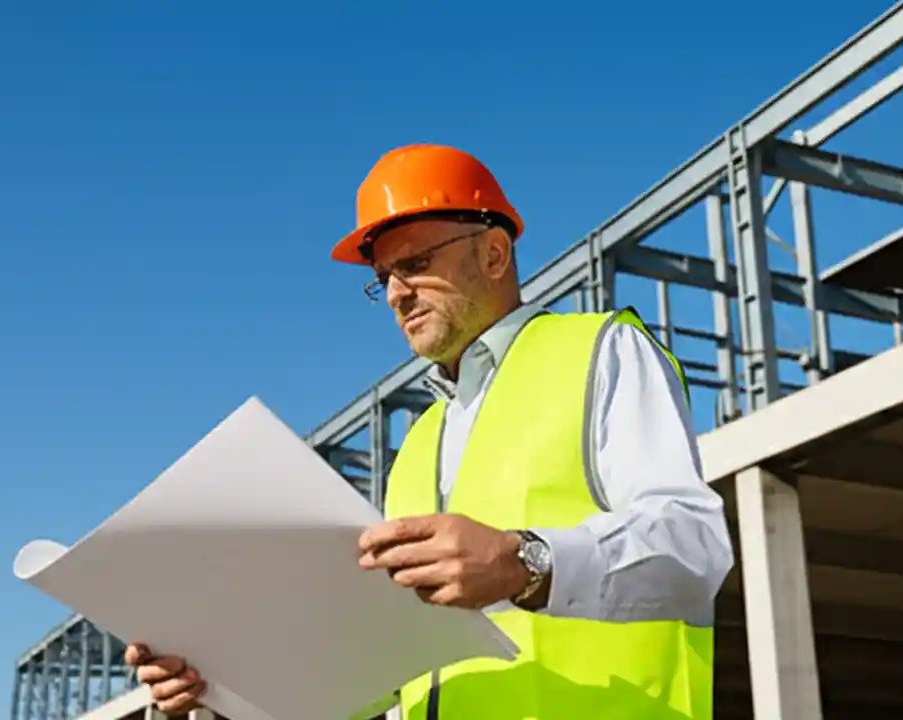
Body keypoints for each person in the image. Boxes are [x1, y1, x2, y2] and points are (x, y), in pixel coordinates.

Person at [126, 144, 735, 719]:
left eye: (416, 264)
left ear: (493, 255)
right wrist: (216, 692)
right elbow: (384, 674)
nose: (396, 293)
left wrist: (525, 562)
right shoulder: (419, 445)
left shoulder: (600, 350)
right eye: (383, 277)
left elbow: (693, 545)